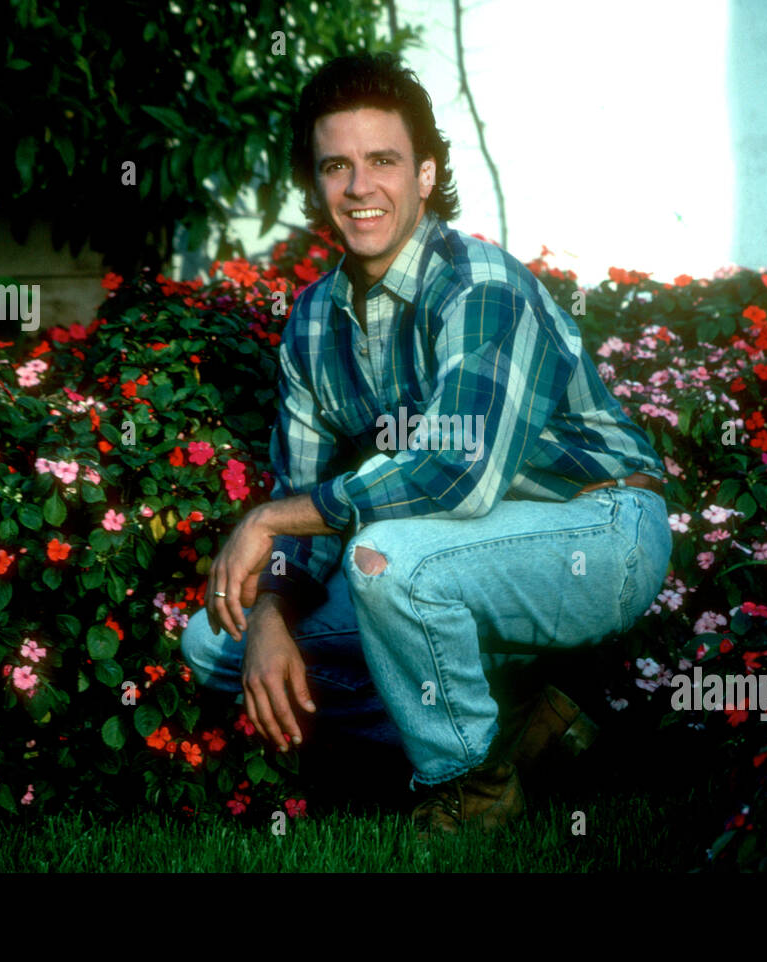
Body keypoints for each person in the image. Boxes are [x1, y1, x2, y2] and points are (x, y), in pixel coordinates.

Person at [180, 51, 673, 839]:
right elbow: (303, 491)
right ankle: (519, 732)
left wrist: (270, 520)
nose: (359, 187)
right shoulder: (312, 322)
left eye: (383, 160)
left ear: (424, 173)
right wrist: (271, 609)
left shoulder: (480, 286)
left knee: (386, 559)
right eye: (335, 166)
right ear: (315, 185)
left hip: (596, 531)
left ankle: (469, 791)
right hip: (454, 552)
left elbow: (458, 475)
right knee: (215, 642)